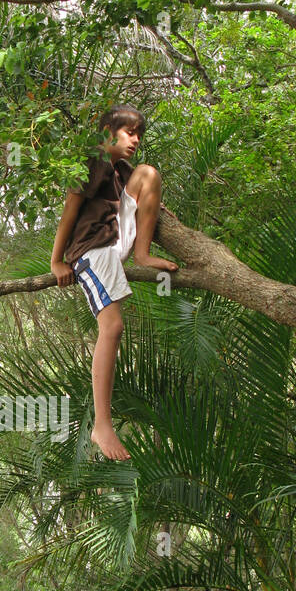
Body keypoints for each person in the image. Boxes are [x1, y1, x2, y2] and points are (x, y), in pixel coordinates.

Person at [50, 104, 177, 461]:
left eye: (139, 134)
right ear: (107, 132)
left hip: (115, 240)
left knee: (149, 174)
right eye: (129, 132)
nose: (136, 139)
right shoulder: (92, 159)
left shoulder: (122, 168)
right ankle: (101, 423)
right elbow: (70, 210)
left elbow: (134, 194)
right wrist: (57, 260)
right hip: (91, 250)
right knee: (113, 326)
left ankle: (143, 253)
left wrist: (155, 205)